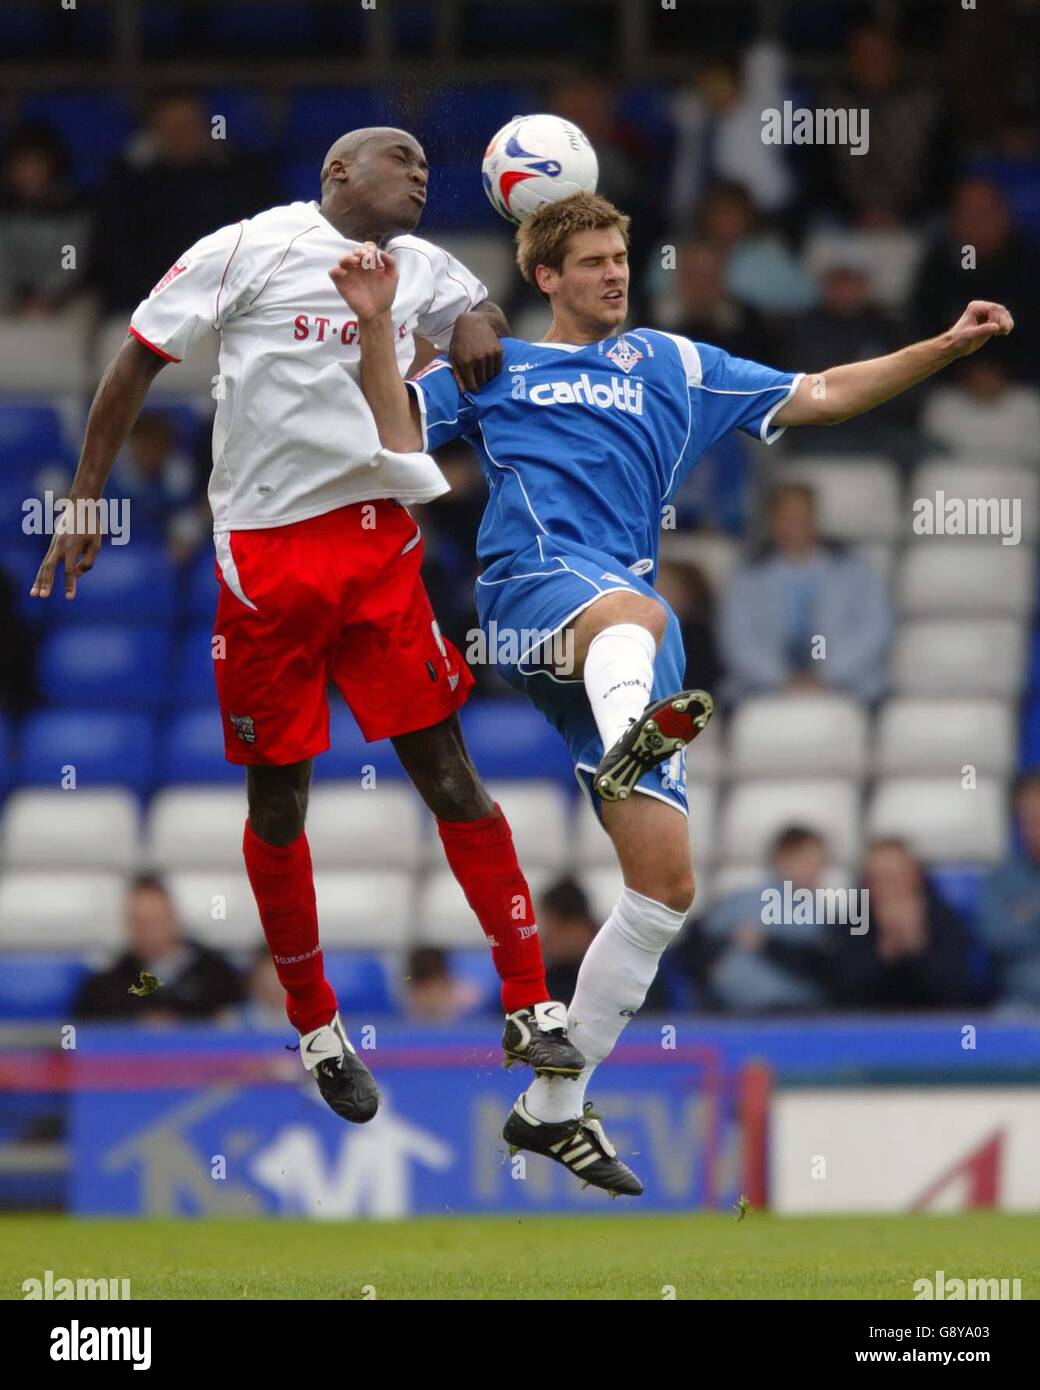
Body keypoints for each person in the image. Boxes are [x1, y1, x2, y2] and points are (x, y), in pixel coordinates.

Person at [332, 190, 1013, 1194]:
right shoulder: (496, 365)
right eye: (592, 261)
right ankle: (629, 735)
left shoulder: (676, 364)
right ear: (547, 279)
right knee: (639, 619)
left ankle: (553, 1108)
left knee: (664, 890)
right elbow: (392, 446)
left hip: (622, 630)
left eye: (620, 255)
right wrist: (380, 325)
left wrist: (941, 346)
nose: (613, 271)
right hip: (528, 602)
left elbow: (821, 391)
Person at [31, 126, 583, 1127]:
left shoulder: (420, 266)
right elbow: (135, 361)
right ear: (337, 173)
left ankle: (528, 999)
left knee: (450, 774)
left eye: (427, 159)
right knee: (280, 805)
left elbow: (479, 304)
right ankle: (318, 1028)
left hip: (376, 547)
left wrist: (480, 320)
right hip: (268, 560)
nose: (421, 170)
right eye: (398, 158)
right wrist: (84, 498)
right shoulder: (245, 249)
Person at [719, 482, 893, 704]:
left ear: (814, 519)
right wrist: (781, 680)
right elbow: (737, 641)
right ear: (773, 522)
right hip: (762, 691)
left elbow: (874, 629)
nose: (794, 526)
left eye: (801, 517)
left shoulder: (854, 568)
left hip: (850, 688)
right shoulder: (747, 575)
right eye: (785, 518)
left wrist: (829, 675)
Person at [73, 875, 244, 1023]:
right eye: (139, 922)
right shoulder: (106, 987)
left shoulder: (217, 975)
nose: (148, 932)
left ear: (174, 918)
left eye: (155, 921)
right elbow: (87, 1038)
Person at [698, 827, 831, 1014]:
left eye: (819, 862)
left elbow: (819, 964)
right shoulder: (747, 901)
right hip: (734, 1013)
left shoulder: (818, 914)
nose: (814, 870)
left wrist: (767, 944)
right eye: (806, 861)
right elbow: (702, 938)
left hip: (800, 1014)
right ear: (782, 859)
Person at [829, 840, 974, 1011]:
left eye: (897, 877)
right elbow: (842, 991)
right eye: (880, 879)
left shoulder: (944, 920)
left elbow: (955, 988)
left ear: (915, 876)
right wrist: (886, 950)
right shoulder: (852, 923)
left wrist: (917, 945)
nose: (891, 888)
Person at [975, 772, 1040, 1010]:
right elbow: (996, 936)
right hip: (1021, 1004)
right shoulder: (999, 879)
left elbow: (1014, 932)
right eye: (1030, 820)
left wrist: (1028, 914)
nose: (1036, 830)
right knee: (1006, 1021)